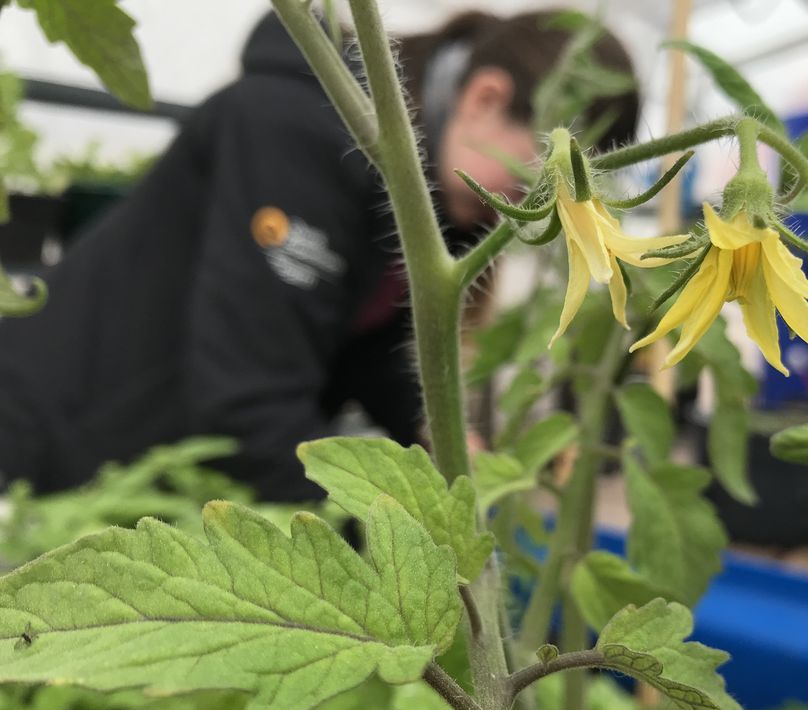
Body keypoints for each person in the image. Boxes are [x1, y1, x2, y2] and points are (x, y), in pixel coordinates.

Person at [0, 9, 639, 501]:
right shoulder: (296, 132)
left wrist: (431, 436)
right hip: (47, 443)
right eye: (532, 188)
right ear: (485, 99)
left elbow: (363, 342)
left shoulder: (442, 202)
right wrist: (390, 525)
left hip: (138, 466)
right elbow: (246, 401)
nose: (519, 216)